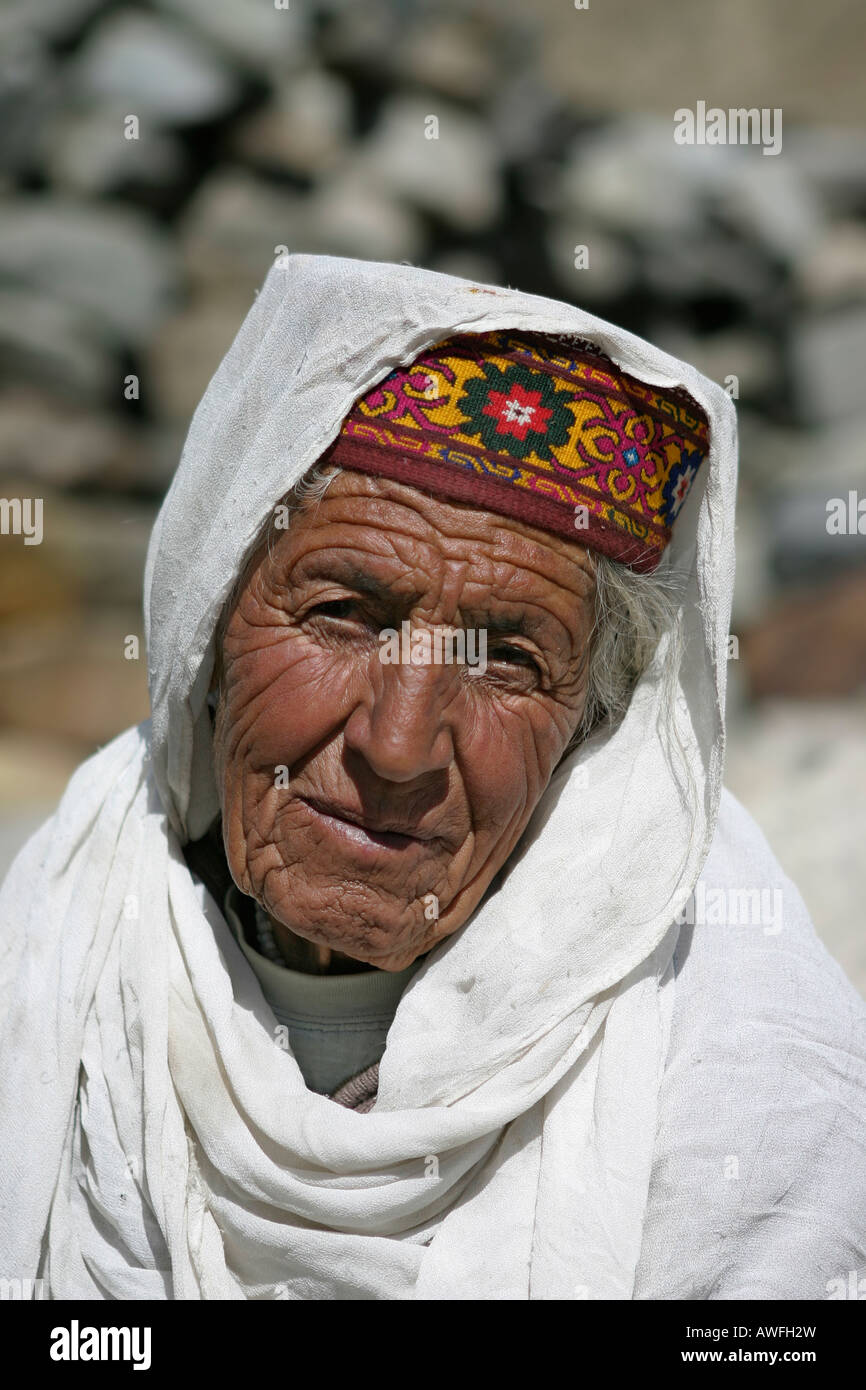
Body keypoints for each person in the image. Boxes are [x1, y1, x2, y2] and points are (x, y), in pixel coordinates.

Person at [0, 255, 863, 1300]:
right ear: (208, 621)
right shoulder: (58, 939)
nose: (399, 745)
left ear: (591, 720)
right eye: (341, 615)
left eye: (506, 658)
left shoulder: (739, 1060)